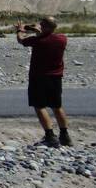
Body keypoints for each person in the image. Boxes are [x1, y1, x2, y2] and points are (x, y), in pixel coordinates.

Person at [17, 16, 71, 147]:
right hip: (56, 77)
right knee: (56, 106)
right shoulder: (62, 39)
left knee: (39, 106)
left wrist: (20, 30)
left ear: (45, 27)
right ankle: (64, 135)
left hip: (39, 77)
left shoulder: (37, 40)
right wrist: (39, 31)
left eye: (41, 25)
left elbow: (21, 41)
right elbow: (47, 37)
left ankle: (50, 135)